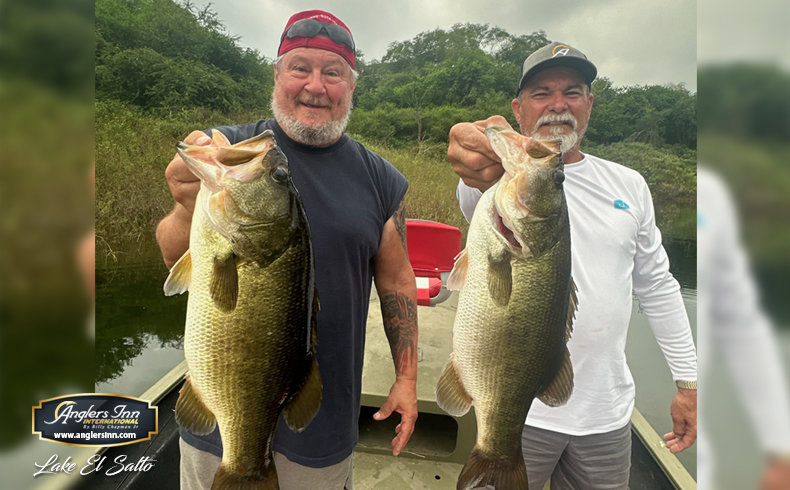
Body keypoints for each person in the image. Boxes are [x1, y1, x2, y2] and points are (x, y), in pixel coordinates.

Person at [155, 10, 418, 490]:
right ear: (277, 74)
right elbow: (174, 258)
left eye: (332, 72)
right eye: (300, 67)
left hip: (323, 421)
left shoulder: (381, 179)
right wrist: (183, 206)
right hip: (219, 421)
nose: (315, 86)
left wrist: (407, 379)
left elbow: (398, 281)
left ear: (351, 85)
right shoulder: (233, 148)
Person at [447, 41, 698, 489]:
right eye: (542, 92)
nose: (558, 105)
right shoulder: (494, 184)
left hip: (606, 413)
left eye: (573, 92)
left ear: (590, 104)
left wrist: (688, 382)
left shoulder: (630, 185)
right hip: (518, 404)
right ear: (518, 108)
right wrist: (478, 140)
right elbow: (472, 165)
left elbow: (658, 287)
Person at [697, 166, 790, 490]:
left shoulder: (708, 194)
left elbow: (742, 325)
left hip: (609, 415)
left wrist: (779, 446)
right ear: (525, 113)